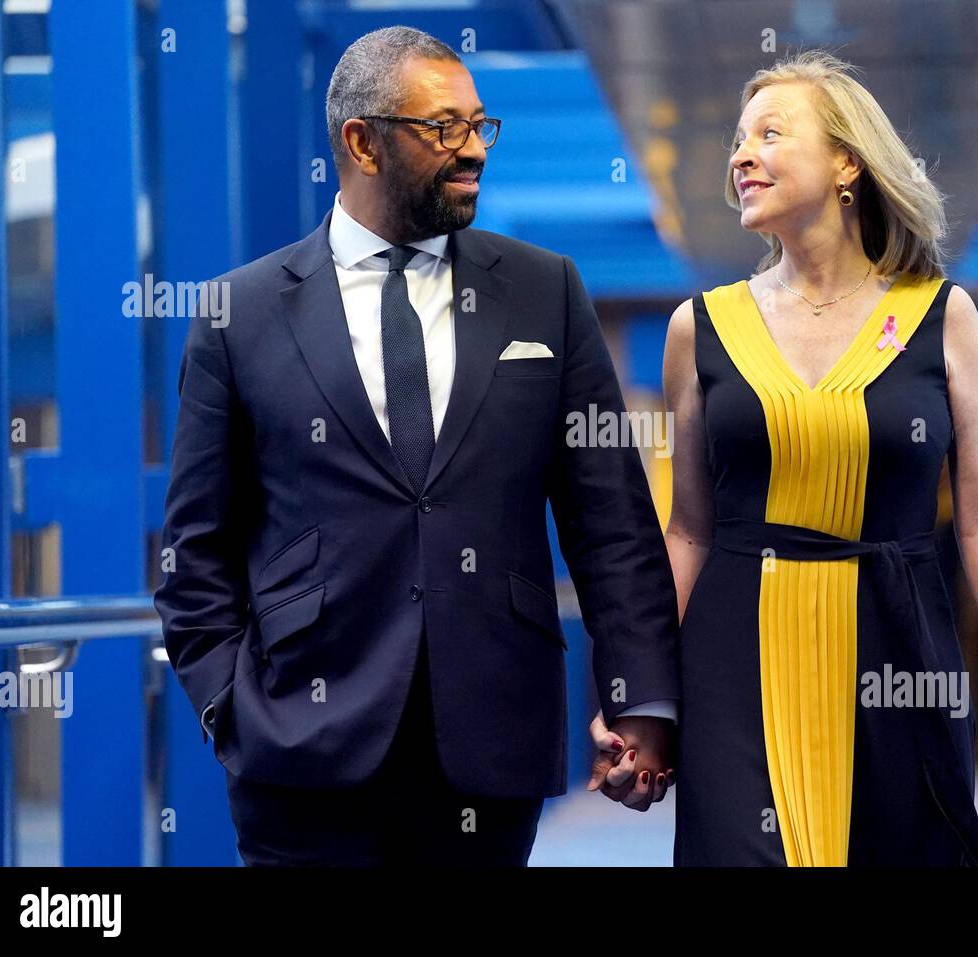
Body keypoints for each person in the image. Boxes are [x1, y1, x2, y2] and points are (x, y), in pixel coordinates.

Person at [154, 25, 678, 867]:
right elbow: (196, 553)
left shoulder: (544, 291)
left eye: (479, 125)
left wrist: (641, 699)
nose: (473, 149)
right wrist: (232, 715)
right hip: (301, 759)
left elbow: (611, 524)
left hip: (489, 749)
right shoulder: (239, 314)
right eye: (444, 128)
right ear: (361, 141)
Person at [591, 50, 978, 865]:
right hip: (734, 659)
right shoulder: (700, 328)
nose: (741, 154)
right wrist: (642, 699)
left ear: (847, 162)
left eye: (770, 133)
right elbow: (688, 529)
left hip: (899, 653)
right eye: (737, 139)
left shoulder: (942, 318)